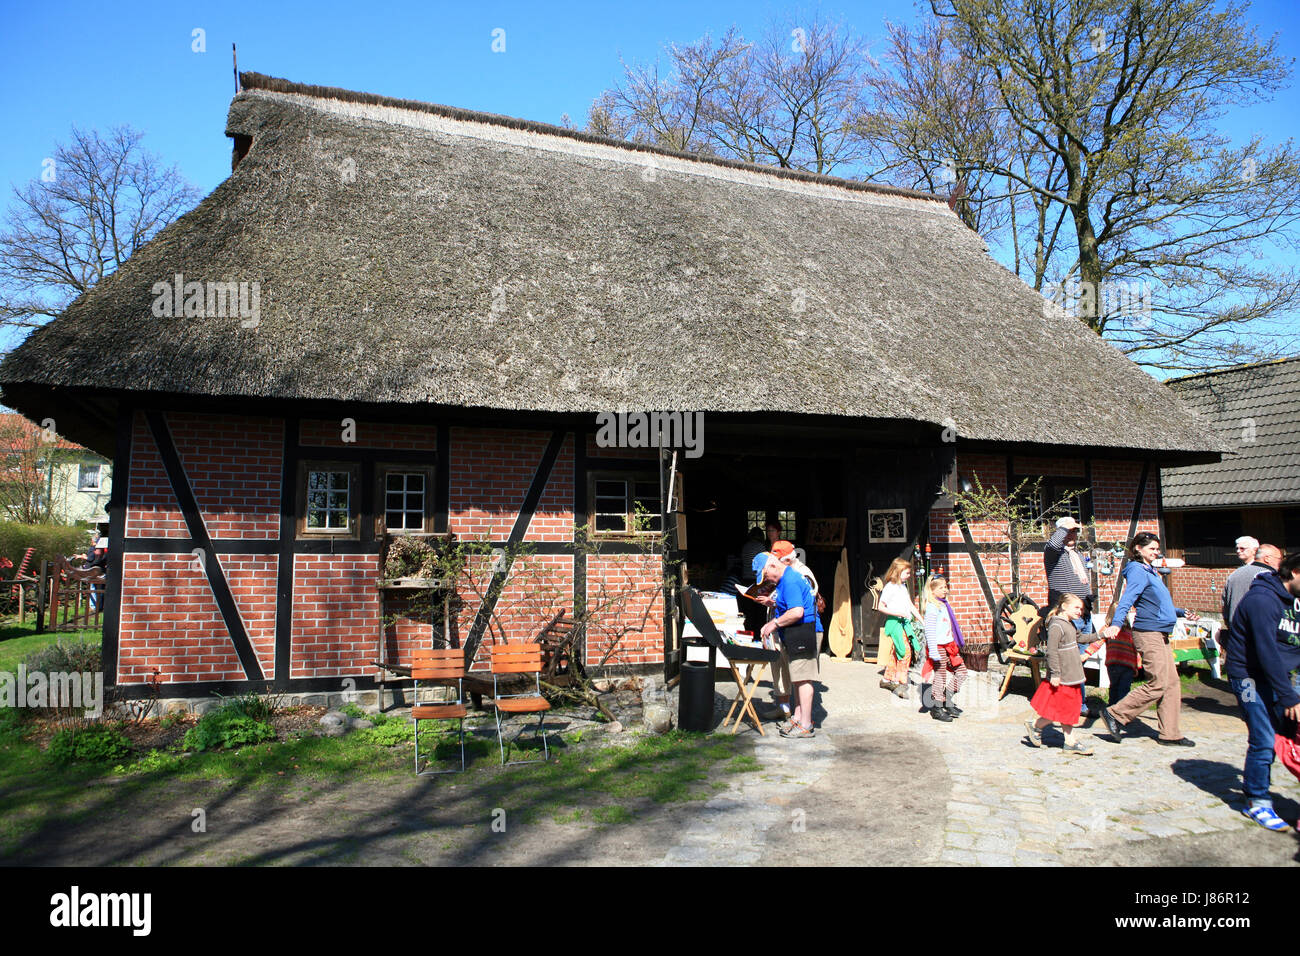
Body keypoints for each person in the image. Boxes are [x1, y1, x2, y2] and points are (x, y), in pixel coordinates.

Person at [1098, 532, 1199, 746]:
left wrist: (1181, 612)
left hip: (1160, 633)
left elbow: (1158, 603)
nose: (1155, 552)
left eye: (1156, 548)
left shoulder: (1150, 571)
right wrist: (1116, 623)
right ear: (1138, 549)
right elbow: (1127, 599)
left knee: (1171, 683)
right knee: (1158, 682)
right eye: (1151, 548)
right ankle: (1115, 714)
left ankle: (1170, 734)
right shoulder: (1137, 570)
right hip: (1148, 633)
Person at [1224, 551, 1300, 831]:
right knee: (1264, 737)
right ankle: (1257, 802)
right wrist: (1290, 696)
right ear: (1294, 572)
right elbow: (1266, 652)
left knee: (1292, 740)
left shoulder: (1296, 601)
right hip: (1248, 677)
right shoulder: (1261, 601)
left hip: (1283, 675)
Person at [753, 551, 821, 738]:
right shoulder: (784, 580)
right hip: (795, 633)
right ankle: (798, 718)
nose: (767, 580)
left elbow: (797, 611)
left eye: (766, 575)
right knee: (797, 678)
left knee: (804, 678)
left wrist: (773, 623)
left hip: (803, 631)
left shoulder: (789, 581)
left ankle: (806, 724)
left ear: (773, 566)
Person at [1025, 593, 1095, 754]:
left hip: (1071, 674)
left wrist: (1102, 635)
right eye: (1076, 607)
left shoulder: (1070, 624)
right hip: (1063, 675)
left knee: (1068, 709)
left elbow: (1082, 638)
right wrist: (1055, 673)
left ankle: (1069, 741)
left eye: (1081, 609)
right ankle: (1036, 725)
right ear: (1064, 606)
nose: (1080, 611)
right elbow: (1052, 651)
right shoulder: (1057, 625)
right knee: (1061, 709)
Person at [922, 576, 967, 721]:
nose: (945, 590)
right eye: (941, 588)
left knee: (961, 672)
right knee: (940, 675)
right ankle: (937, 708)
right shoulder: (932, 607)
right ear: (932, 590)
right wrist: (933, 650)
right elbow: (929, 630)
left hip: (949, 645)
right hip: (938, 646)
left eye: (945, 587)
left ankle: (947, 699)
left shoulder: (944, 604)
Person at [877, 558, 923, 698]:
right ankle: (900, 681)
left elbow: (909, 605)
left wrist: (922, 620)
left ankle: (887, 679)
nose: (909, 576)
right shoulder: (890, 587)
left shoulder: (903, 587)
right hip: (895, 623)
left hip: (904, 623)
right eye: (907, 573)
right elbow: (881, 606)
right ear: (898, 571)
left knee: (897, 651)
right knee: (905, 651)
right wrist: (898, 613)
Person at [1044, 516, 1095, 633]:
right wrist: (1065, 527)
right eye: (1068, 531)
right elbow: (1053, 544)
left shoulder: (1077, 554)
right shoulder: (1053, 553)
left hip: (1083, 613)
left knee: (1085, 649)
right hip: (1066, 614)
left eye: (1074, 531)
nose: (1072, 534)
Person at [1222, 542, 1282, 625]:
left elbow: (1225, 604)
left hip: (1235, 627)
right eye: (1279, 559)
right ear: (1267, 558)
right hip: (1259, 628)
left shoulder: (1235, 573)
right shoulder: (1270, 576)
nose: (1280, 562)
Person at [739, 527, 768, 636]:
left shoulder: (745, 546)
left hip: (745, 580)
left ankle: (748, 634)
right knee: (759, 610)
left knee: (748, 611)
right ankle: (758, 634)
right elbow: (764, 563)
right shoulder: (760, 547)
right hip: (756, 581)